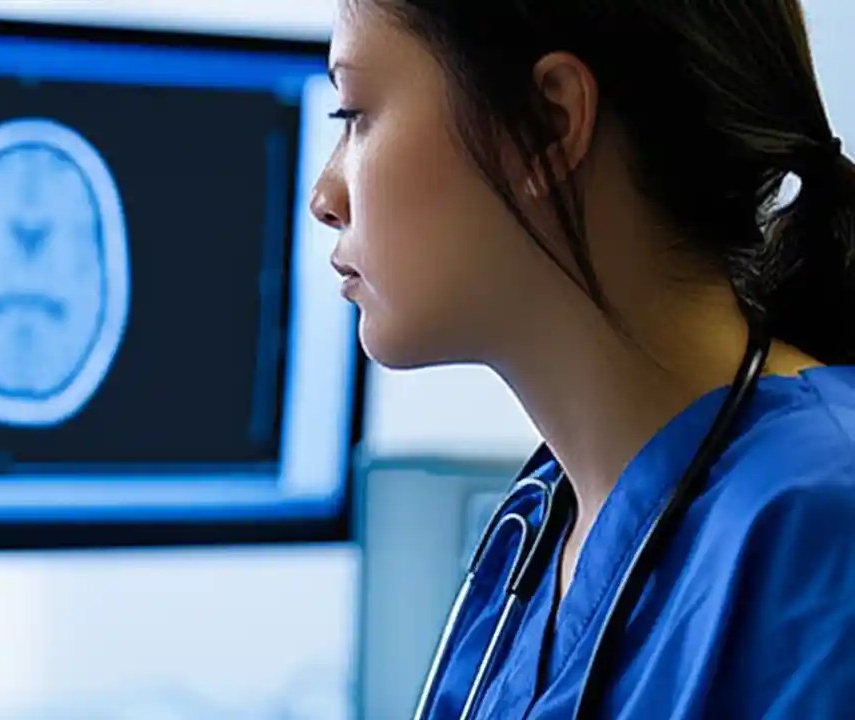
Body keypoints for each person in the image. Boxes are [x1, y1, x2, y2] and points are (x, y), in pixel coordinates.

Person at [309, 0, 855, 718]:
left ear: (548, 126)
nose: (325, 196)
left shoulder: (819, 533)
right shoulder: (542, 525)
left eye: (354, 114)